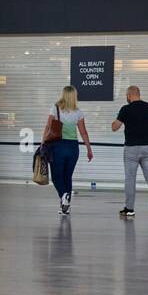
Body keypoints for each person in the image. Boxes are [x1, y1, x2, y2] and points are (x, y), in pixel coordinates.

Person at [112, 85, 148, 220]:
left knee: (130, 178)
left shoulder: (125, 109)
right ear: (139, 94)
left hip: (132, 149)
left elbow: (115, 127)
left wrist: (115, 120)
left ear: (129, 95)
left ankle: (129, 209)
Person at [43, 84, 92, 216]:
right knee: (67, 176)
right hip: (73, 148)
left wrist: (43, 143)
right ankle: (65, 207)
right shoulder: (78, 112)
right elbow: (84, 133)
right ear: (74, 96)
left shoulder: (55, 109)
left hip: (57, 146)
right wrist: (89, 149)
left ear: (63, 95)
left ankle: (64, 195)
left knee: (56, 177)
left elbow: (48, 127)